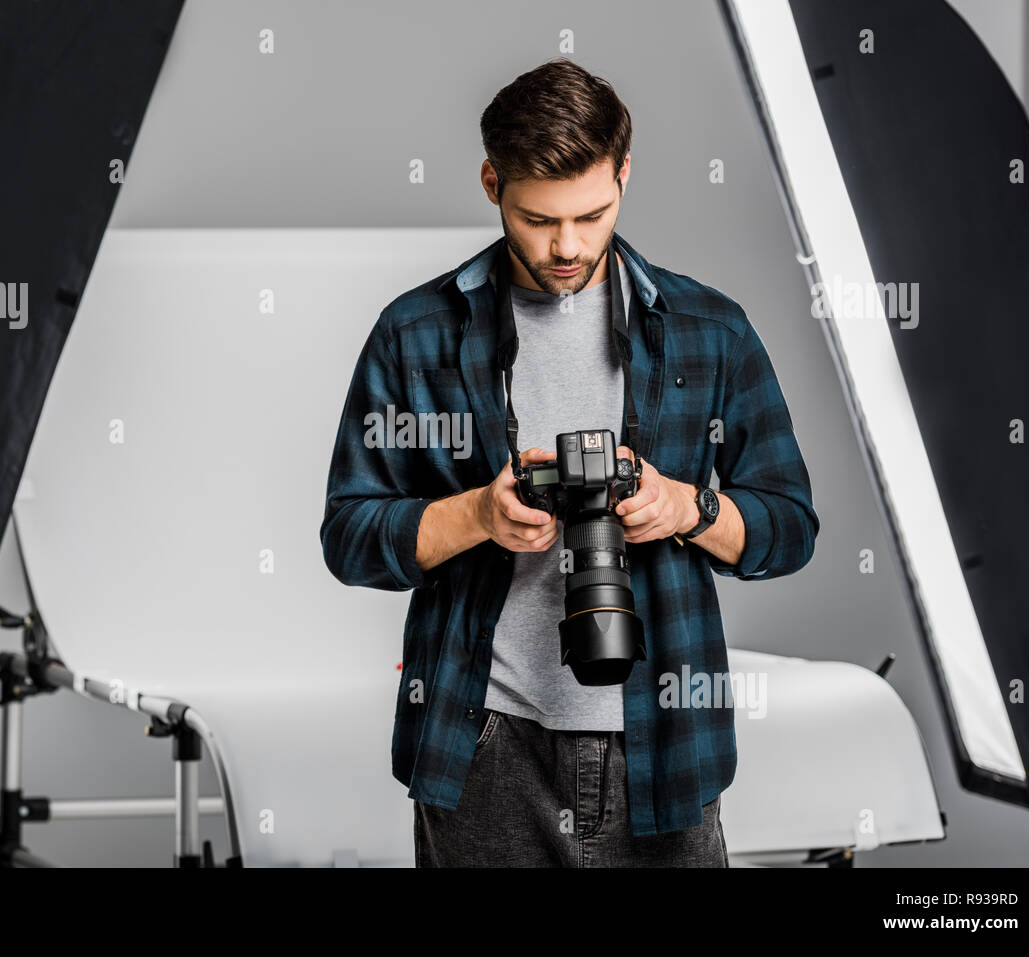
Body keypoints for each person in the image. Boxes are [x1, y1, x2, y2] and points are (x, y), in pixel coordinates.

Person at [320, 58, 819, 867]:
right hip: (483, 745)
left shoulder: (708, 330)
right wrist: (478, 514)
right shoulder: (415, 334)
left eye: (592, 215)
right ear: (491, 183)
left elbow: (789, 527)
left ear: (625, 174)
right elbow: (348, 534)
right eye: (538, 218)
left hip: (664, 742)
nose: (566, 246)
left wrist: (685, 508)